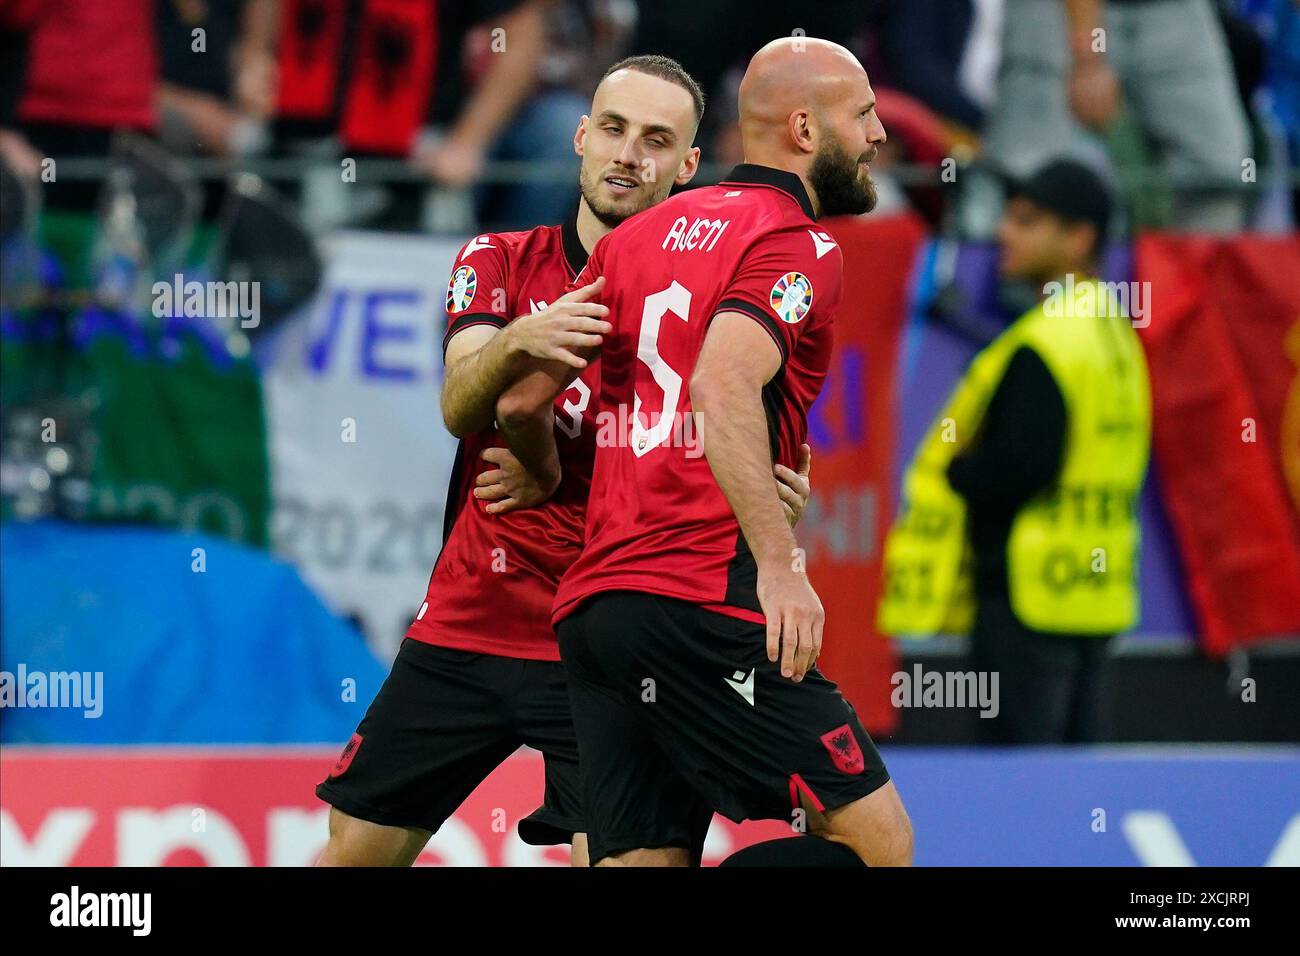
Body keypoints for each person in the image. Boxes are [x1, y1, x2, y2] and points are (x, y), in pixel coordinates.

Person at [314, 55, 814, 867]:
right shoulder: (500, 259)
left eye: (657, 141)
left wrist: (769, 494)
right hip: (473, 619)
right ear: (581, 137)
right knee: (353, 853)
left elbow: (769, 440)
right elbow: (458, 407)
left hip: (606, 642)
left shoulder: (715, 295)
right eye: (613, 129)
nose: (628, 154)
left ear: (689, 167)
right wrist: (519, 342)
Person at [498, 36, 914, 867]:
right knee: (878, 847)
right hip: (701, 597)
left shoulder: (635, 239)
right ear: (804, 128)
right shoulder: (802, 246)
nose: (877, 136)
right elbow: (721, 386)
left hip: (598, 612)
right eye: (863, 114)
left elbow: (518, 401)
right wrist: (779, 561)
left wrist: (544, 477)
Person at [880, 158, 1152, 744]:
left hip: (1028, 596)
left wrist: (959, 473)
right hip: (1095, 595)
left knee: (1023, 781)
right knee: (1079, 782)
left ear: (1079, 238)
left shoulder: (1046, 341)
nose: (1005, 232)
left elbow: (1020, 468)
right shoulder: (1113, 332)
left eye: (1027, 221)